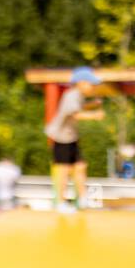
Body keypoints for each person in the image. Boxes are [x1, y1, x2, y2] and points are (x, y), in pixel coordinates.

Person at [45, 67, 108, 213]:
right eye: (91, 84)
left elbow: (79, 108)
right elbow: (75, 114)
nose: (93, 87)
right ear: (81, 83)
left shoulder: (78, 96)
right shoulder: (71, 95)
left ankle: (83, 199)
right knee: (64, 170)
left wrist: (91, 104)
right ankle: (61, 203)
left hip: (71, 137)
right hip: (61, 137)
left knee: (80, 166)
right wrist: (95, 114)